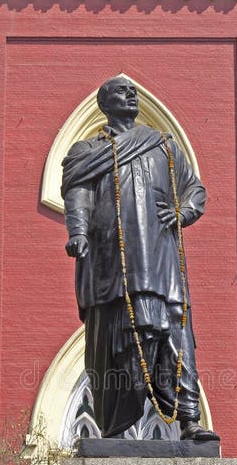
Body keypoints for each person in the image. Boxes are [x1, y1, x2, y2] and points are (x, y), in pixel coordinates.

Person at [61, 75, 218, 442]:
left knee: (175, 337)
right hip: (112, 264)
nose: (130, 93)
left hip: (161, 263)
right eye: (121, 91)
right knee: (114, 339)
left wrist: (184, 212)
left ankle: (189, 420)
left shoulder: (164, 146)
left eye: (132, 90)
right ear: (104, 103)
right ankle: (114, 428)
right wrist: (79, 234)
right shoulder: (87, 152)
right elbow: (78, 195)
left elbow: (194, 189)